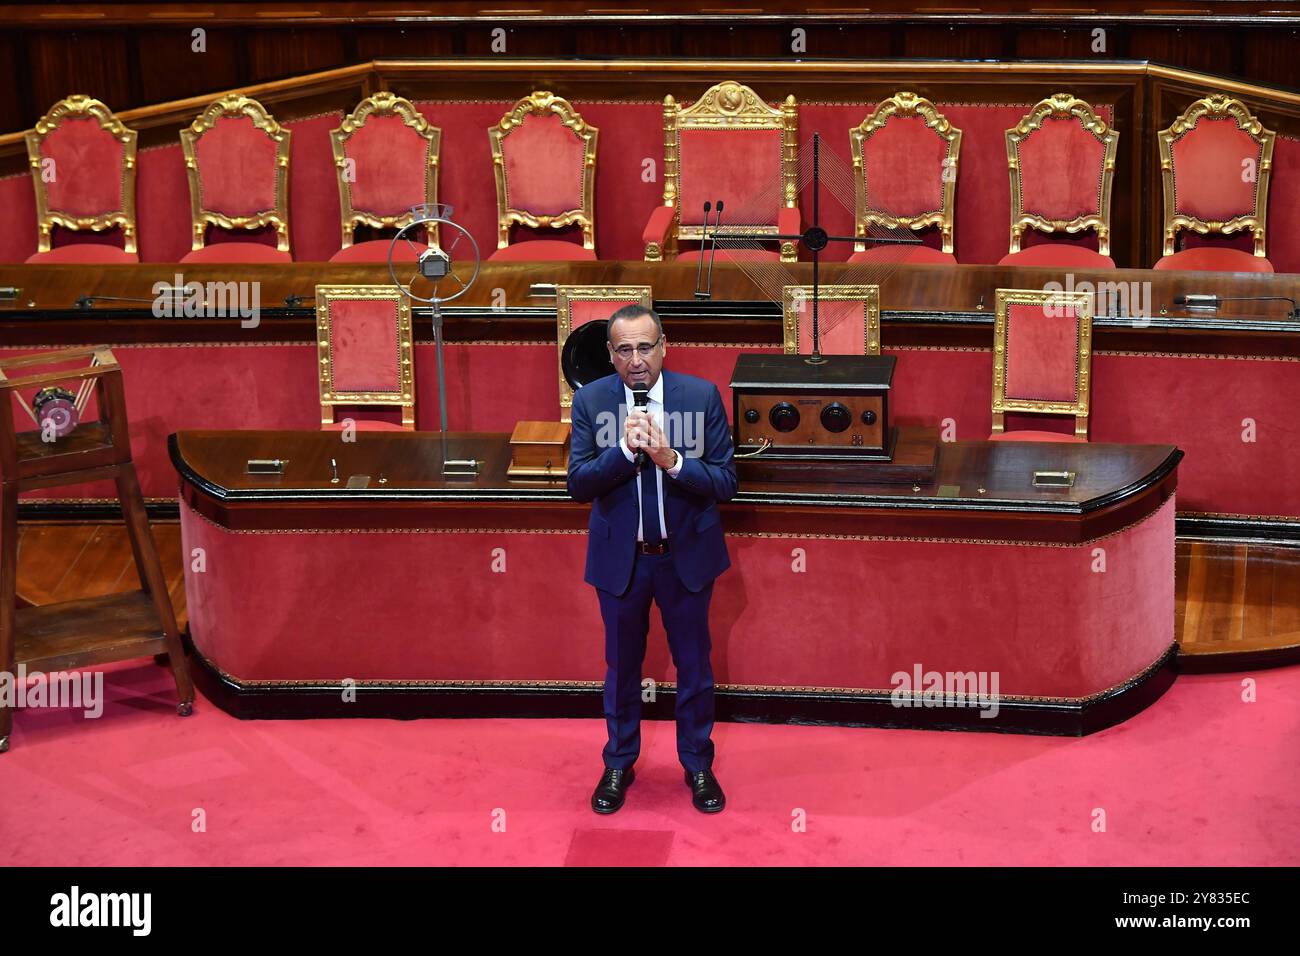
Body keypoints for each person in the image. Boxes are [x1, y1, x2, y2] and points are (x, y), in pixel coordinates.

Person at [567, 304, 738, 814]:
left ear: (664, 346)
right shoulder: (592, 400)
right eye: (624, 349)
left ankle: (698, 764)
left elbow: (726, 482)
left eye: (645, 347)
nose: (636, 360)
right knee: (620, 669)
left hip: (685, 559)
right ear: (611, 355)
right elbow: (578, 484)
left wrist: (672, 461)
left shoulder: (701, 397)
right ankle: (618, 762)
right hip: (623, 564)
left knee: (695, 667)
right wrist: (622, 452)